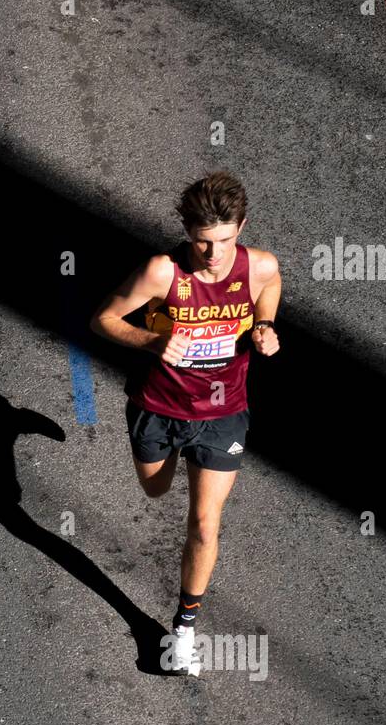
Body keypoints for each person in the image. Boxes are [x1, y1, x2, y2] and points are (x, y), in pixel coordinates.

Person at [90, 172, 281, 675]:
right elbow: (104, 320)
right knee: (156, 491)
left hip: (222, 413)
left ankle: (184, 630)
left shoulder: (258, 266)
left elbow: (270, 287)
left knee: (203, 522)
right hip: (158, 407)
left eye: (223, 241)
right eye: (202, 242)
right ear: (186, 231)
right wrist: (151, 342)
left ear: (242, 227)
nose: (212, 255)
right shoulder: (161, 273)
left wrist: (264, 327)